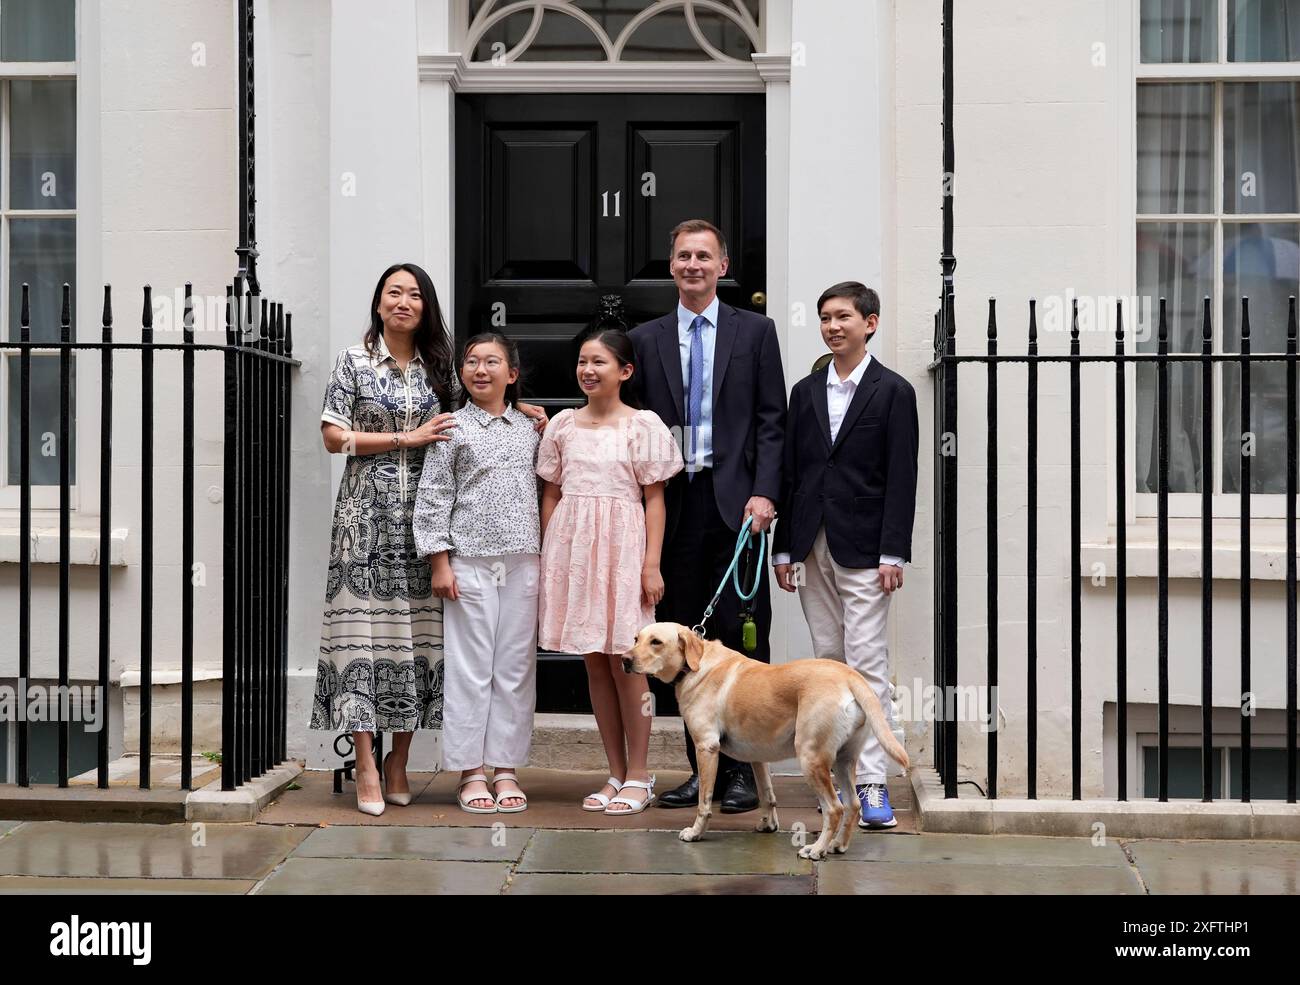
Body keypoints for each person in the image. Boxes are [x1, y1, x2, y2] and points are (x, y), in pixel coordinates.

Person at [312, 266, 549, 817]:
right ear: (378, 303)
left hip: (429, 526)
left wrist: (529, 412)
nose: (403, 301)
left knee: (421, 646)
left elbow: (482, 406)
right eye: (393, 292)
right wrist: (406, 437)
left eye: (414, 294)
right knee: (362, 642)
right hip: (367, 517)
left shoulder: (441, 368)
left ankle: (401, 760)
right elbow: (332, 438)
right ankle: (366, 763)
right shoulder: (353, 361)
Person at [628, 218, 787, 813]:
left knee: (744, 637)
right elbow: (625, 417)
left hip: (739, 507)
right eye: (683, 256)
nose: (693, 265)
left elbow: (774, 420)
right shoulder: (644, 341)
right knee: (681, 647)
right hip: (672, 507)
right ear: (671, 266)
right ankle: (705, 770)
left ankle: (746, 772)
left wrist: (766, 492)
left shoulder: (756, 332)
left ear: (722, 266)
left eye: (704, 256)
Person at [772, 281, 918, 829]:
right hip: (810, 542)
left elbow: (902, 477)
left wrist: (893, 553)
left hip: (866, 547)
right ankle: (832, 781)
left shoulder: (893, 391)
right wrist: (785, 545)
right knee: (827, 662)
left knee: (867, 663)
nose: (833, 327)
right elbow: (793, 473)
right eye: (826, 318)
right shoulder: (805, 391)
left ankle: (874, 782)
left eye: (844, 318)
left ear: (870, 323)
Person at [537, 329, 683, 814]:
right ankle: (615, 772)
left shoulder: (642, 426)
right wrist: (552, 554)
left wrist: (650, 565)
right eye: (582, 361)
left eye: (599, 361)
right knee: (594, 662)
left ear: (624, 371)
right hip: (574, 554)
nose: (588, 370)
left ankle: (641, 773)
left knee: (630, 661)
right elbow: (552, 493)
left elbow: (654, 500)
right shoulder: (562, 425)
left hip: (623, 552)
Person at [413, 332, 542, 814]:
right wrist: (440, 562)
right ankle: (470, 771)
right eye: (472, 362)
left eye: (492, 362)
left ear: (512, 374)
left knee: (513, 667)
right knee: (471, 668)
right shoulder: (451, 428)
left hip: (523, 561)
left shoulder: (531, 428)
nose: (480, 370)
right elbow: (433, 498)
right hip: (468, 561)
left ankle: (505, 767)